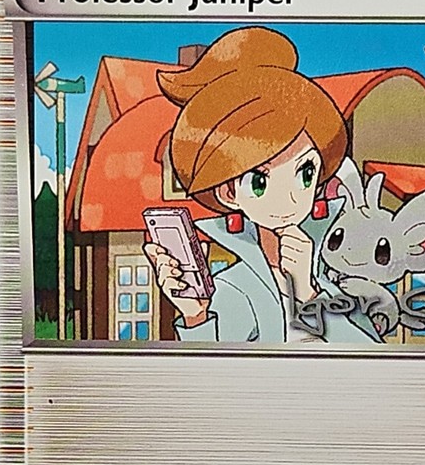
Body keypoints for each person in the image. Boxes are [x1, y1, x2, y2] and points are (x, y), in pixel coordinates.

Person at [145, 27, 379, 345]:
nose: (290, 197)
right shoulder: (234, 289)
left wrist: (308, 292)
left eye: (306, 173)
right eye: (259, 181)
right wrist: (196, 315)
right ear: (229, 192)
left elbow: (371, 356)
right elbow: (213, 369)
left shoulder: (331, 281)